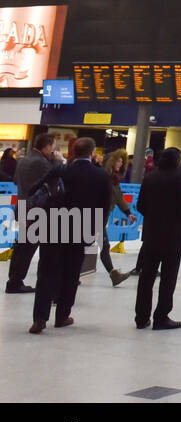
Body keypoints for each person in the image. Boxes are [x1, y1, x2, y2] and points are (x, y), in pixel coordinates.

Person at [30, 138, 111, 334]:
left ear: (74, 151)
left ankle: (40, 318)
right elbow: (104, 206)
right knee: (71, 272)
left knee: (47, 272)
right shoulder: (101, 175)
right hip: (80, 229)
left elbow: (35, 190)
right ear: (91, 153)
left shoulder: (61, 170)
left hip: (54, 226)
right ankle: (62, 315)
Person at [134, 147, 181, 330]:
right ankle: (161, 316)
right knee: (168, 279)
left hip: (152, 235)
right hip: (173, 237)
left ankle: (141, 317)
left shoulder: (150, 177)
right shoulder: (180, 179)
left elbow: (141, 205)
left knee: (146, 278)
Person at [7, 133, 56, 294]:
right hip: (35, 210)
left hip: (21, 206)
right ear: (47, 145)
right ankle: (16, 281)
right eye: (53, 145)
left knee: (21, 246)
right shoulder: (41, 163)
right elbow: (53, 179)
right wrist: (56, 161)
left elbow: (15, 181)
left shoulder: (23, 160)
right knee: (27, 248)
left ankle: (13, 279)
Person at [99, 149, 136, 287]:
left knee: (94, 245)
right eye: (118, 161)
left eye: (122, 161)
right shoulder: (104, 176)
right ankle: (114, 275)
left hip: (102, 214)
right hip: (96, 214)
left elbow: (119, 197)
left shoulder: (114, 179)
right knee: (103, 245)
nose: (120, 164)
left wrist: (128, 213)